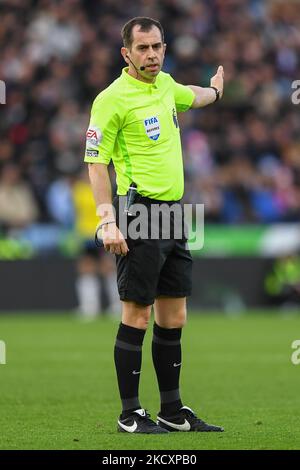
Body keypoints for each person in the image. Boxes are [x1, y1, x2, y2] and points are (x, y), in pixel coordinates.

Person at [84, 17, 224, 434]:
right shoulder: (111, 99)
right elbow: (95, 162)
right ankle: (130, 414)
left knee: (174, 315)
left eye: (157, 47)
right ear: (126, 53)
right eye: (143, 48)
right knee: (138, 315)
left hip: (174, 213)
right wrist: (107, 220)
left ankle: (173, 410)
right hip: (138, 213)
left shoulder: (166, 85)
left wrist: (215, 90)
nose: (152, 55)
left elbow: (193, 96)